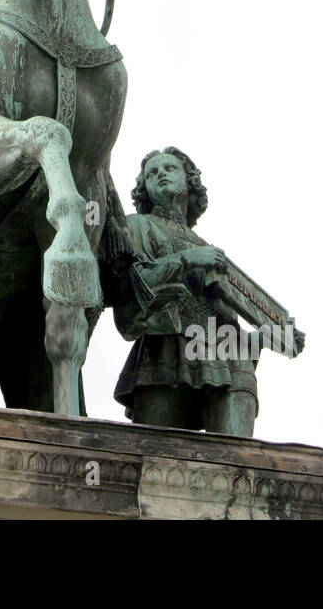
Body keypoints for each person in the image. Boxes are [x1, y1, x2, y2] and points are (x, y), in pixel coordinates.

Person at [112, 147, 258, 436]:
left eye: (169, 169)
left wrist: (275, 329)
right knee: (156, 459)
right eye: (151, 173)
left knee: (238, 459)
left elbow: (240, 303)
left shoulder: (205, 244)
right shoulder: (136, 226)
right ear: (144, 189)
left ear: (189, 181)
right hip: (165, 349)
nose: (160, 175)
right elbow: (129, 286)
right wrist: (185, 260)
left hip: (223, 349)